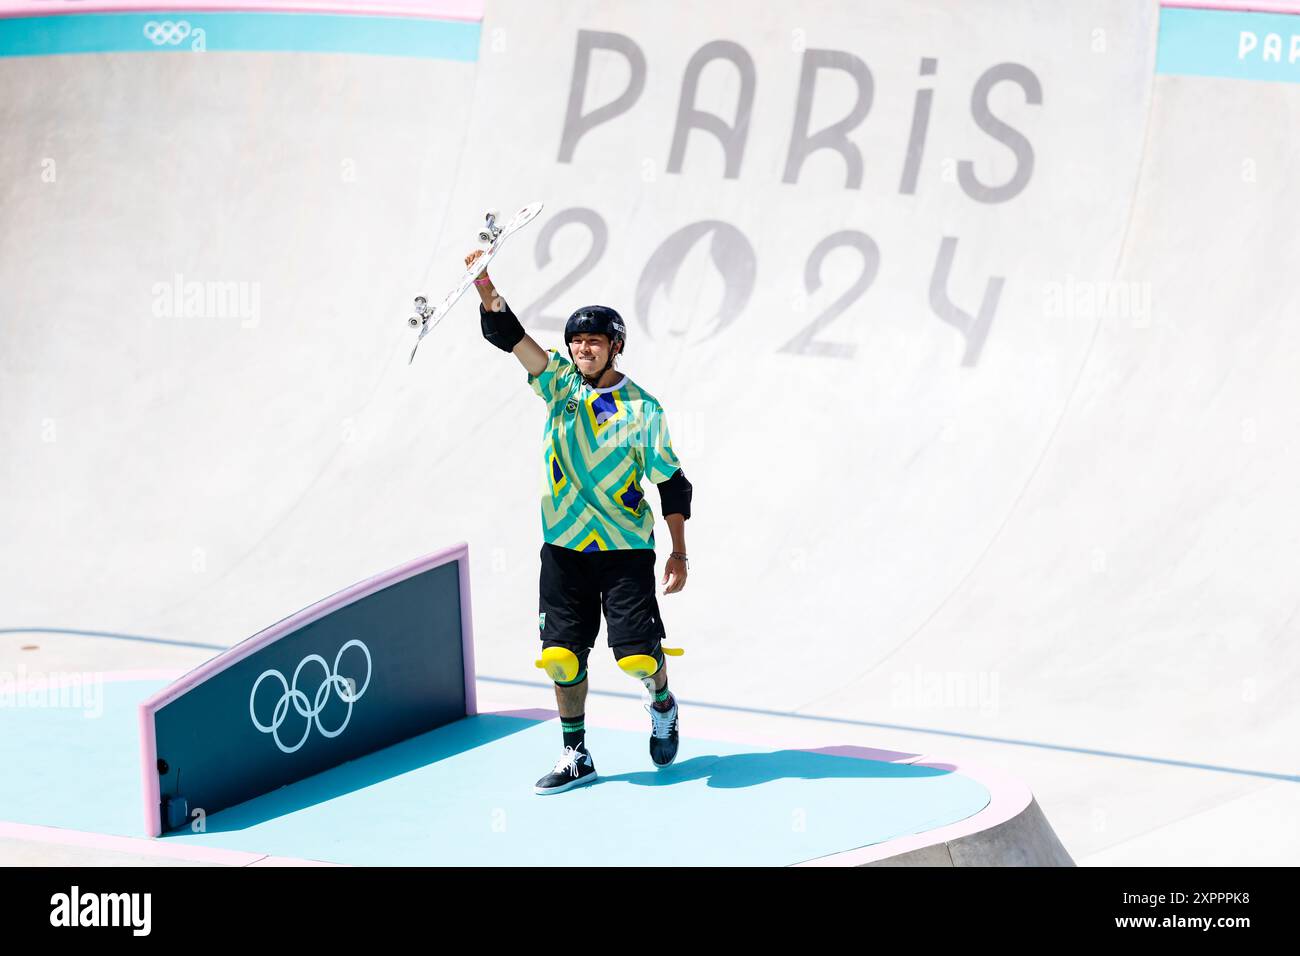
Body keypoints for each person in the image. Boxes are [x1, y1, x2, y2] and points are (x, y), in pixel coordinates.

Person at [468, 249, 693, 795]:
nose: (582, 348)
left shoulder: (644, 410)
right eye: (575, 340)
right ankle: (576, 753)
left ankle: (661, 699)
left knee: (637, 657)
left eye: (593, 341)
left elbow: (672, 482)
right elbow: (511, 339)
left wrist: (678, 550)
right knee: (561, 658)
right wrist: (485, 287)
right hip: (564, 548)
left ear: (615, 346)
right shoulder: (560, 384)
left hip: (624, 551)